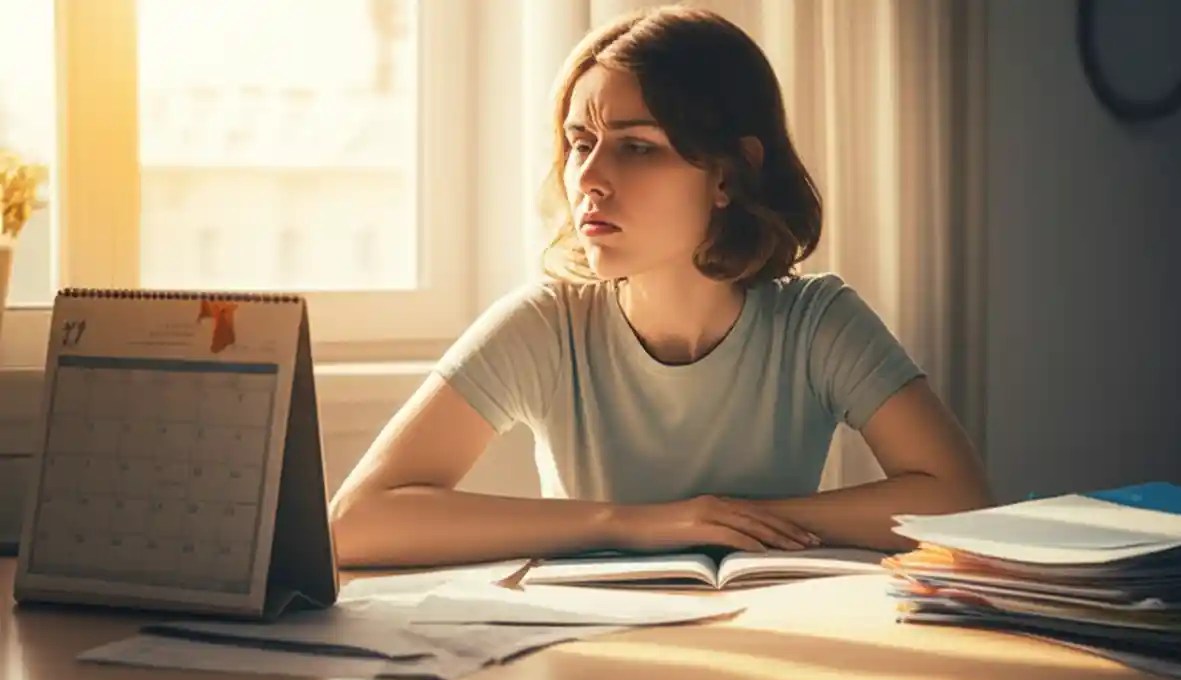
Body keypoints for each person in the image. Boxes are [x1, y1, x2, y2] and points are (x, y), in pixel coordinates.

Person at [329, 5, 992, 568]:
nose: (588, 175)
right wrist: (633, 523)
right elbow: (357, 521)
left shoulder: (816, 322)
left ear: (730, 175)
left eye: (636, 146)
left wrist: (734, 520)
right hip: (588, 661)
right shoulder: (547, 325)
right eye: (579, 141)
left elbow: (960, 500)